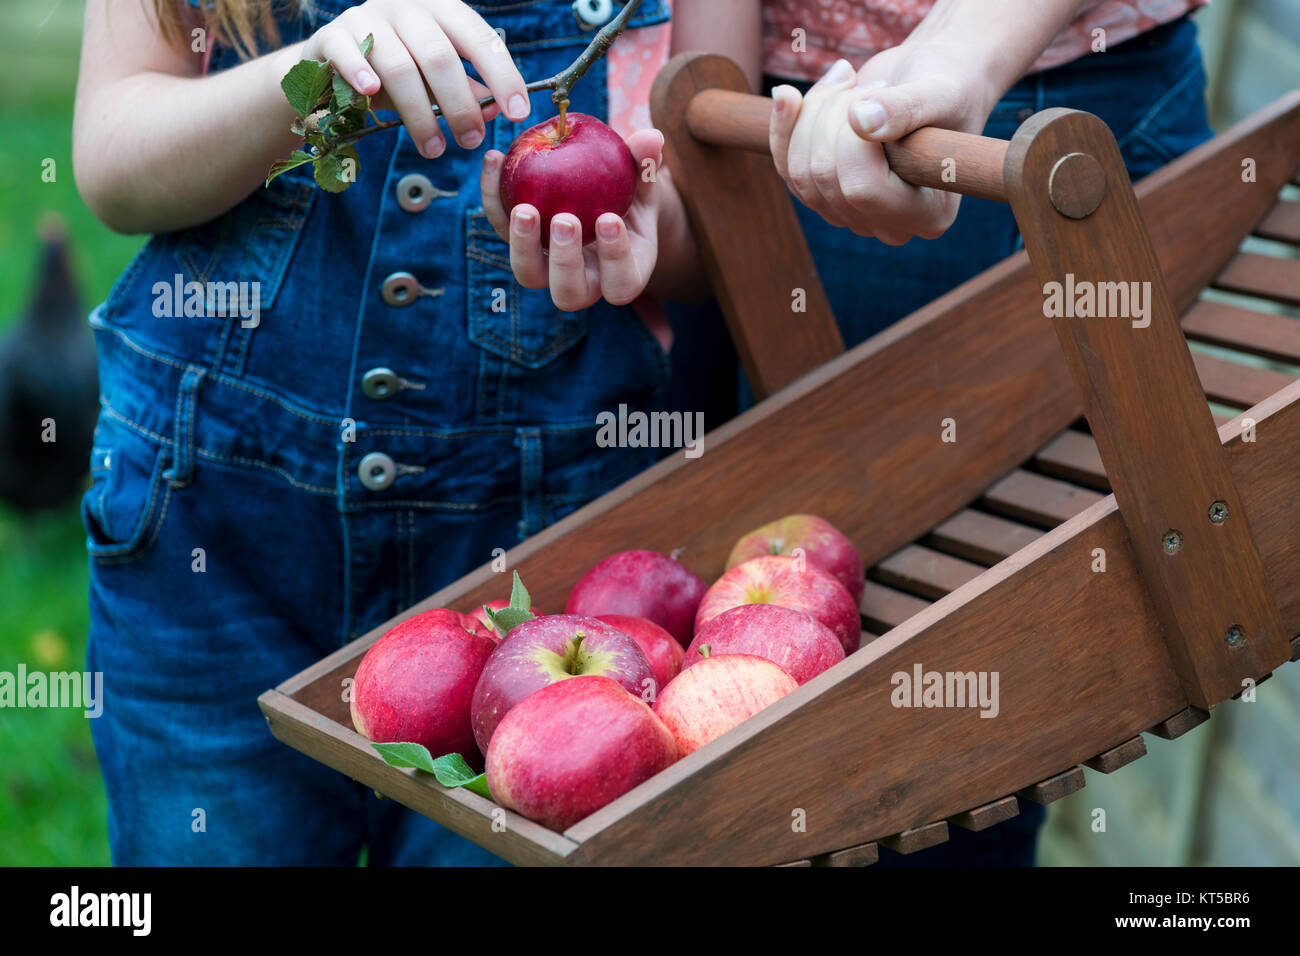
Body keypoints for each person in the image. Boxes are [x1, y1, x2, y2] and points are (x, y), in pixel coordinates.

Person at [484, 0, 1215, 864]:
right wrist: (688, 183)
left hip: (1032, 97)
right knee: (792, 765)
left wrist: (957, 53)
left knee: (952, 745)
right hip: (786, 122)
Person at [73, 0, 699, 866]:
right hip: (215, 531)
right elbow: (113, 161)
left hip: (535, 542)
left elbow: (701, 221)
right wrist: (308, 86)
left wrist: (630, 228)